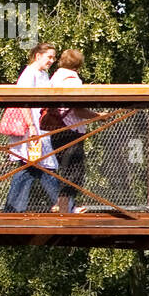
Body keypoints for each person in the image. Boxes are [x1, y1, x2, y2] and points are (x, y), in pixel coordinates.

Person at [3, 43, 61, 212]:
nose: (52, 60)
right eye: (49, 57)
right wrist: (31, 126)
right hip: (32, 127)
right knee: (37, 165)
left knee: (34, 166)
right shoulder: (29, 74)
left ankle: (13, 209)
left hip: (41, 127)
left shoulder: (43, 74)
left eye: (53, 57)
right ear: (38, 56)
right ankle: (63, 204)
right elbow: (22, 100)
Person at [49, 49, 97, 214]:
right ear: (79, 64)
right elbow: (77, 109)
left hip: (56, 129)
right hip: (71, 129)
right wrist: (98, 116)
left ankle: (66, 206)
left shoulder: (55, 76)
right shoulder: (72, 79)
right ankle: (64, 207)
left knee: (66, 169)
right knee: (74, 170)